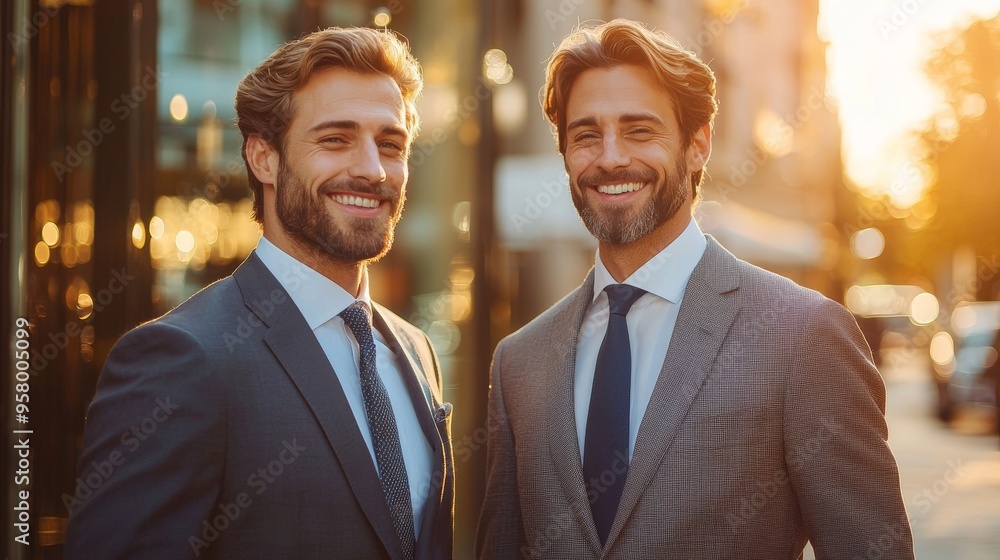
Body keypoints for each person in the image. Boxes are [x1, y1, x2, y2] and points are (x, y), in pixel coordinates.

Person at [476, 19, 913, 559]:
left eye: (639, 130)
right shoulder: (518, 361)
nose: (610, 157)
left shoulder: (804, 336)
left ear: (697, 144)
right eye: (586, 134)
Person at [64, 27, 453, 560]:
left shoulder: (414, 350)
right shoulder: (180, 359)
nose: (372, 169)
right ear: (263, 158)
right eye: (335, 139)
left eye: (391, 144)